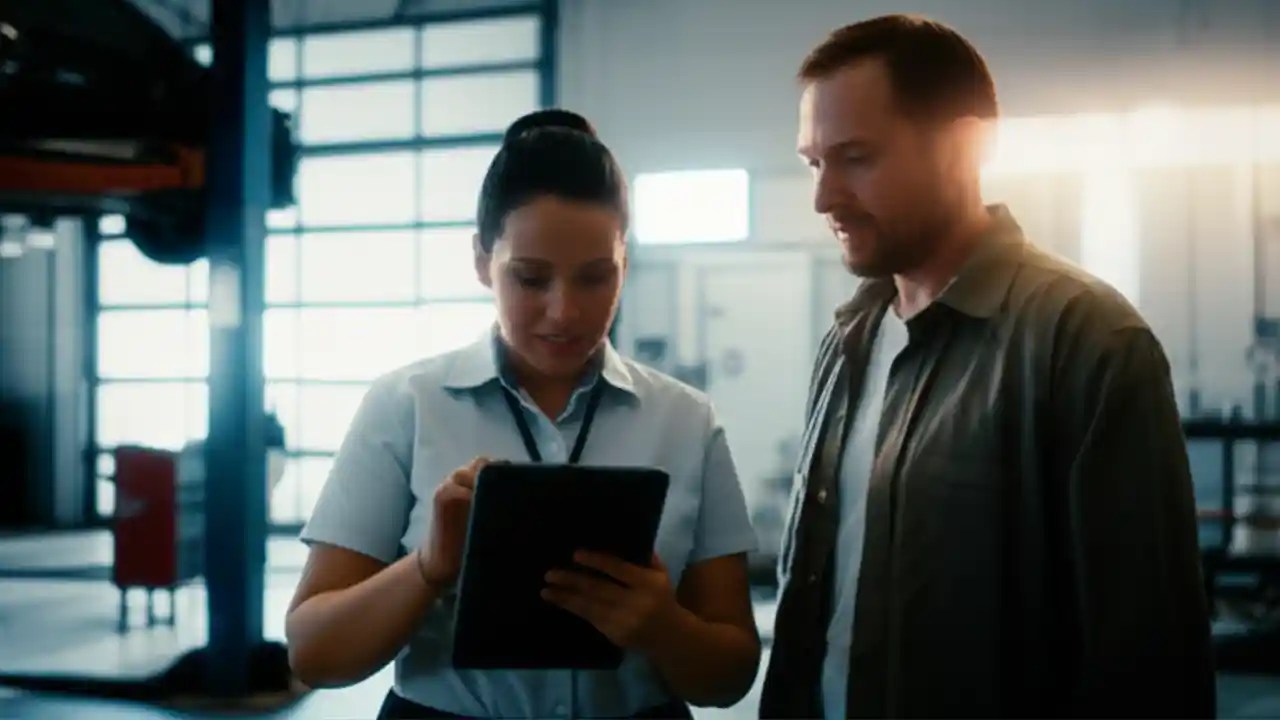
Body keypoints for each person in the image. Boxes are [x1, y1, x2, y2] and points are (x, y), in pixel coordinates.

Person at [761, 14, 1216, 719]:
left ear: (965, 146)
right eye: (814, 164)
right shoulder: (849, 340)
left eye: (856, 158)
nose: (824, 198)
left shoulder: (1086, 340)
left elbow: (1148, 656)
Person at [285, 109, 761, 719]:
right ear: (482, 260)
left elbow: (731, 676)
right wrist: (427, 569)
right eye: (531, 279)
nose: (564, 312)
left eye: (595, 278)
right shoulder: (407, 406)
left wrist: (663, 625)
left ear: (625, 263)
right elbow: (314, 654)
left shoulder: (685, 421)